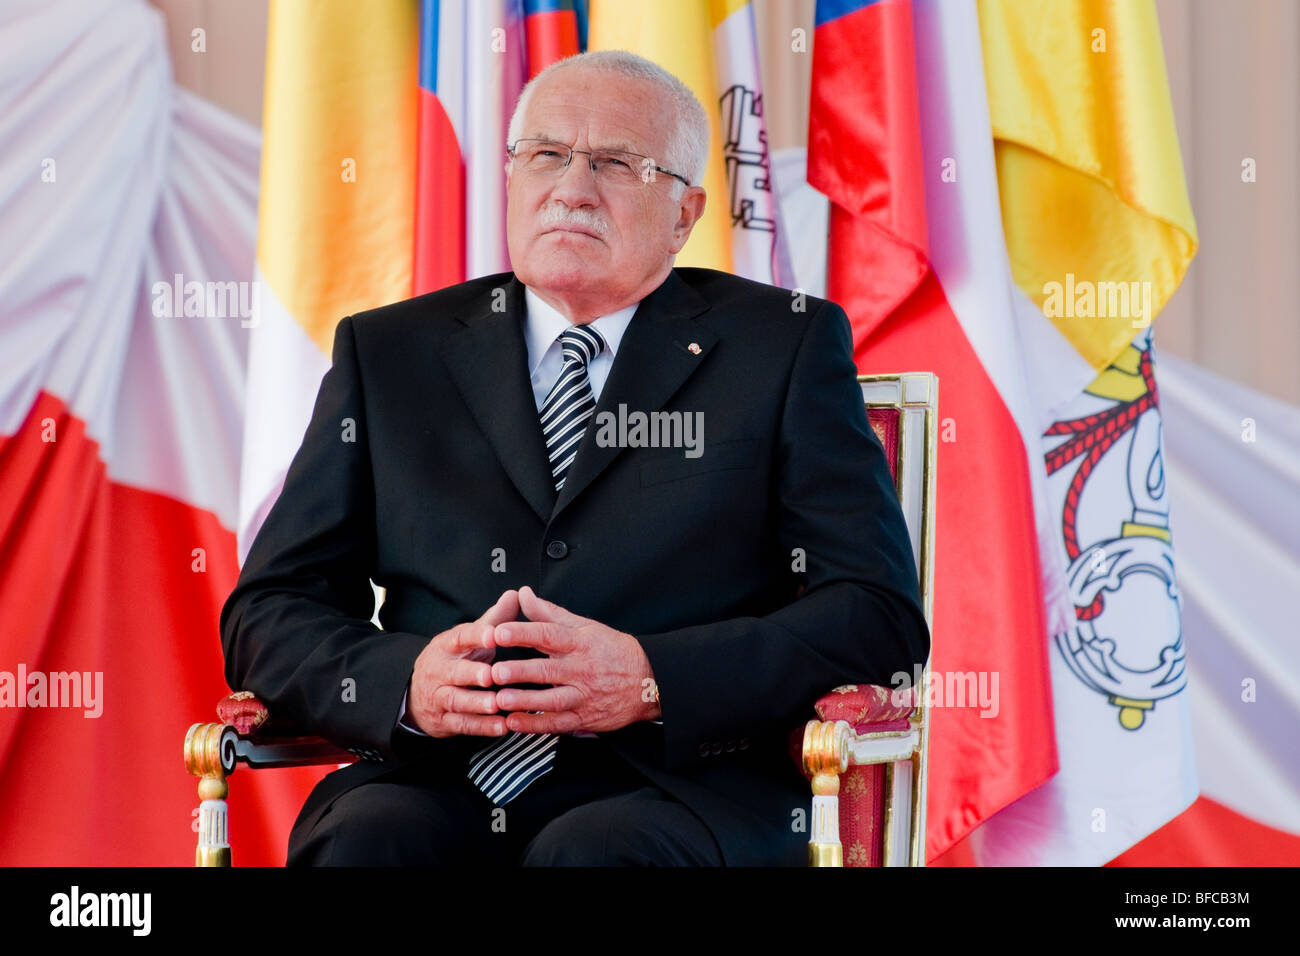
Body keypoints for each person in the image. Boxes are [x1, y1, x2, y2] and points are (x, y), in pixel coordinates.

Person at [220, 49, 929, 866]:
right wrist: (408, 680)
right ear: (513, 179)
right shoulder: (389, 353)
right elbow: (269, 610)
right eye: (548, 155)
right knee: (369, 845)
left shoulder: (782, 347)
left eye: (618, 164)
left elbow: (876, 614)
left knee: (597, 853)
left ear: (685, 214)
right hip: (434, 777)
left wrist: (651, 676)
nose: (573, 188)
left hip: (684, 785)